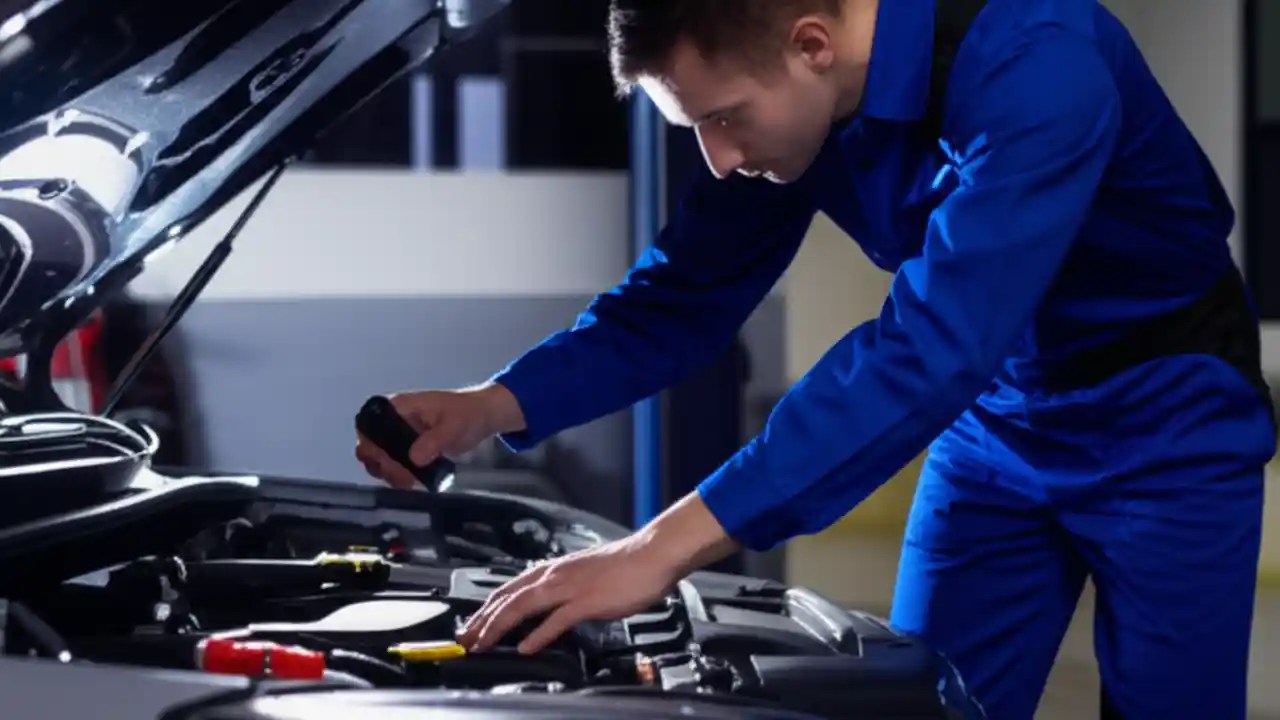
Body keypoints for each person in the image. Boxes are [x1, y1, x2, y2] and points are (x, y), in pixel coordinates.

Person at [355, 0, 1276, 717]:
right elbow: (682, 296)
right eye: (696, 130)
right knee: (914, 704)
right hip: (997, 420)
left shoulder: (1042, 61)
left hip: (1166, 417)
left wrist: (658, 548)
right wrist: (492, 404)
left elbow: (930, 347)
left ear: (810, 44)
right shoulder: (790, 106)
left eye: (723, 119)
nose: (716, 160)